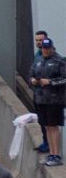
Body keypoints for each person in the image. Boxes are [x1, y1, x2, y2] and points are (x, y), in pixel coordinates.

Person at [29, 38, 66, 167]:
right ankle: (51, 153)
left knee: (54, 126)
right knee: (47, 127)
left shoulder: (59, 61)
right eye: (43, 48)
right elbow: (31, 75)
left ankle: (56, 154)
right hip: (41, 99)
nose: (45, 50)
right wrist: (33, 80)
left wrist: (50, 82)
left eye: (47, 48)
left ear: (51, 48)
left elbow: (64, 79)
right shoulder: (38, 62)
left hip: (54, 100)